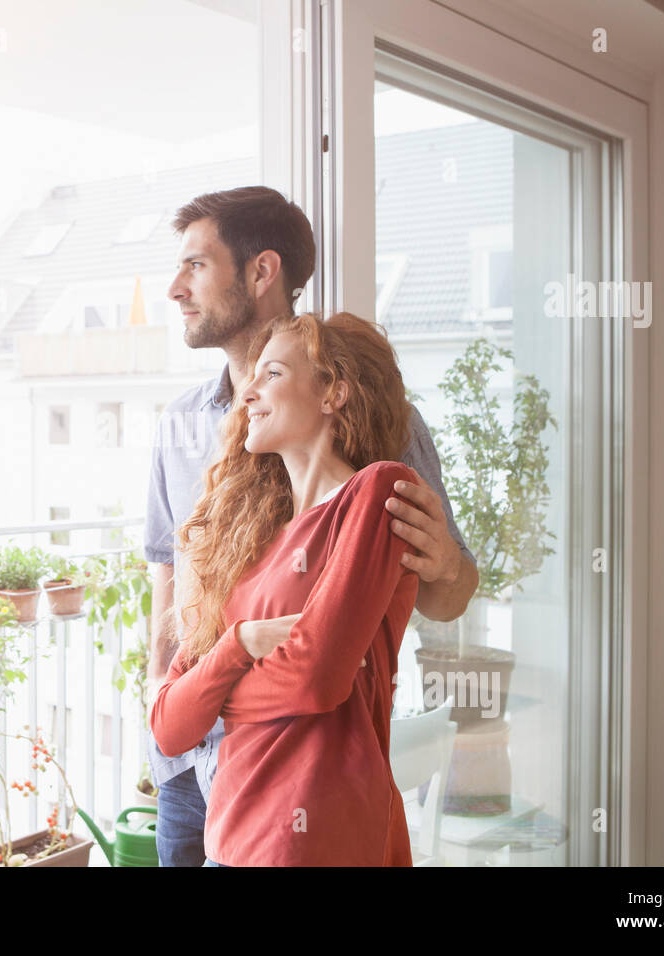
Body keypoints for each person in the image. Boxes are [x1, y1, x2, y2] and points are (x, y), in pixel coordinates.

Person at [145, 185, 478, 866]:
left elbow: (441, 592)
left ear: (262, 271)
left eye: (196, 266)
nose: (175, 288)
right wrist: (161, 724)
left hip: (305, 781)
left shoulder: (385, 435)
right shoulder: (179, 425)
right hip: (192, 777)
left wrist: (443, 563)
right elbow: (168, 589)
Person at [150, 310, 420, 865]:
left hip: (314, 839)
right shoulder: (247, 542)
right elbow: (171, 729)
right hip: (229, 839)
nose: (247, 392)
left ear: (333, 393)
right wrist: (240, 644)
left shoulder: (374, 492)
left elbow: (317, 678)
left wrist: (215, 699)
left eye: (271, 374)